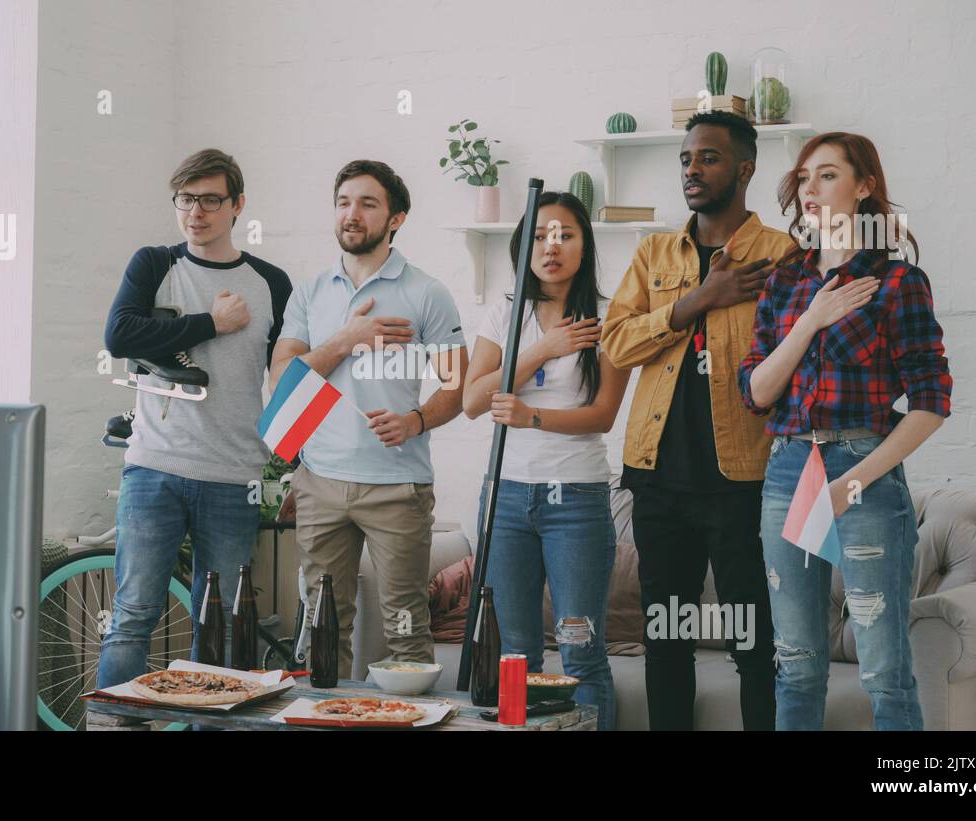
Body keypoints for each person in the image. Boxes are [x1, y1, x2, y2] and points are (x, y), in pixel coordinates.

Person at [739, 132, 951, 731]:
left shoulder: (898, 282)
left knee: (883, 670)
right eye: (804, 177)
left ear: (864, 187)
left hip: (865, 471)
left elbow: (932, 403)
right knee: (797, 664)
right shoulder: (785, 282)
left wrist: (849, 484)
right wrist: (811, 320)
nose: (810, 188)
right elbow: (757, 392)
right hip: (787, 470)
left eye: (828, 175)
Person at [600, 111, 795, 730]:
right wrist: (697, 301)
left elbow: (795, 362)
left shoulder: (781, 256)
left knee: (755, 642)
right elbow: (617, 343)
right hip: (657, 477)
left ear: (745, 169)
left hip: (744, 479)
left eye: (708, 158)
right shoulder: (654, 252)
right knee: (665, 640)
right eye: (685, 159)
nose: (692, 169)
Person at [97, 148, 292, 688]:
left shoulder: (271, 283)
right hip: (154, 468)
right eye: (185, 199)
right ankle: (116, 725)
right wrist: (212, 322)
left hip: (234, 475)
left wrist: (295, 464)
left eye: (210, 200)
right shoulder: (154, 264)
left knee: (223, 626)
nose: (195, 212)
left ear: (237, 205)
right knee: (132, 617)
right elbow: (119, 335)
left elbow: (288, 378)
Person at [270, 160, 468, 680]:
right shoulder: (310, 292)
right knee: (322, 628)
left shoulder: (426, 293)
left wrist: (415, 421)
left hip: (398, 488)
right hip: (320, 482)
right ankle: (325, 715)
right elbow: (281, 381)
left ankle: (409, 716)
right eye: (343, 202)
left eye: (367, 203)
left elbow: (457, 386)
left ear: (396, 218)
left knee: (406, 629)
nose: (351, 213)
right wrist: (345, 340)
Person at [462, 191, 629, 730]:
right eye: (539, 236)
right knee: (514, 653)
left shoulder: (610, 316)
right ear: (523, 247)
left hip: (576, 500)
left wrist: (532, 416)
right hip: (506, 498)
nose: (550, 247)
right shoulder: (505, 312)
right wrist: (541, 348)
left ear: (584, 245)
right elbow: (472, 400)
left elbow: (603, 415)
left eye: (564, 235)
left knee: (581, 650)